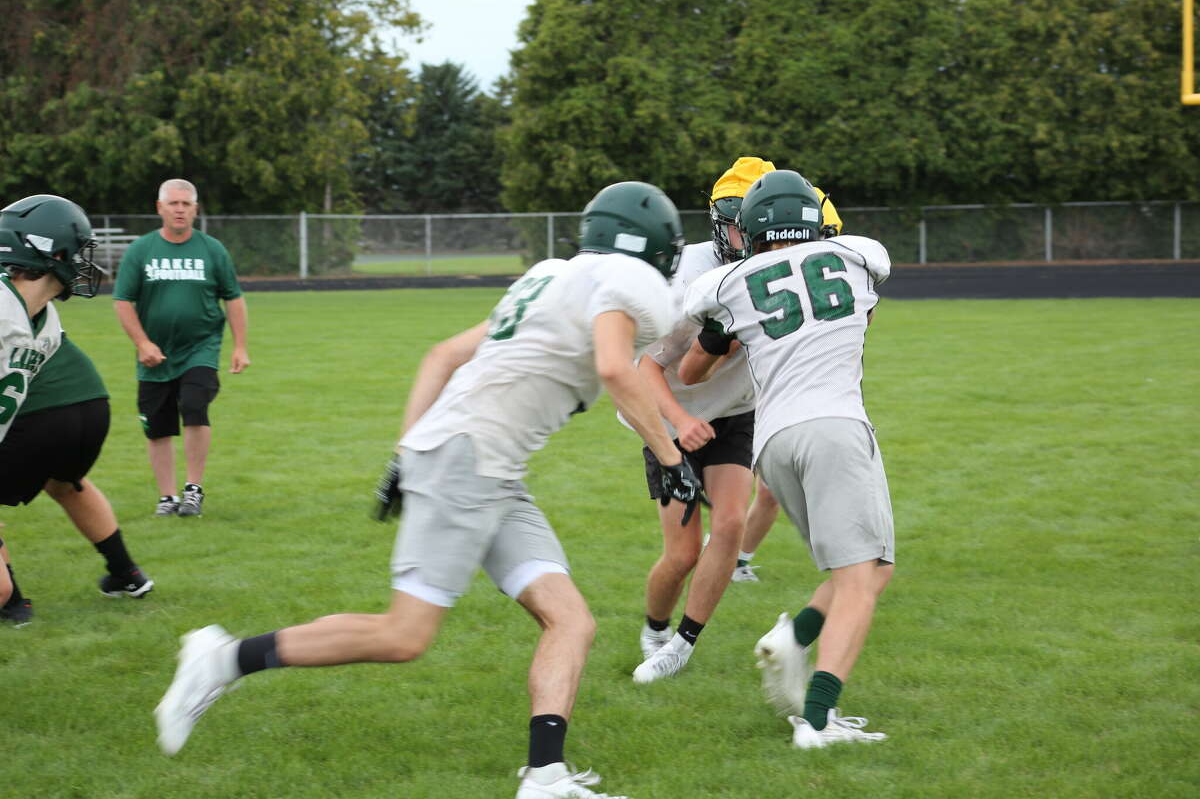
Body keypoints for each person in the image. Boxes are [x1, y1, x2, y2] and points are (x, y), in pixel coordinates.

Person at [154, 181, 704, 799]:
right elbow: (610, 365)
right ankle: (222, 659)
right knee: (404, 634)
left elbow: (441, 355)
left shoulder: (551, 277)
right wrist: (670, 452)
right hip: (471, 462)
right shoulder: (628, 285)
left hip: (486, 467)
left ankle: (546, 777)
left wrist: (405, 453)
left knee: (570, 619)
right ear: (655, 247)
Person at [678, 170, 894, 748]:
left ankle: (794, 638)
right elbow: (865, 302)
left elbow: (695, 357)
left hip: (772, 444)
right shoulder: (856, 257)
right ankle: (819, 721)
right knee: (857, 578)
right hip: (835, 427)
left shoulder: (727, 284)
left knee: (872, 568)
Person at [629, 157, 843, 683]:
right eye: (733, 224)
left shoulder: (785, 261)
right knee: (680, 554)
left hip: (737, 412)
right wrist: (678, 421)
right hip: (668, 416)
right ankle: (656, 628)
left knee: (729, 524)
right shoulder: (689, 280)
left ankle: (683, 643)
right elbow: (644, 370)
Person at [0, 194, 151, 625]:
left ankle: (14, 602)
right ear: (45, 251)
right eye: (78, 251)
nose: (86, 262)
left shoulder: (44, 321)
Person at [113, 178, 250, 517]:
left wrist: (240, 346)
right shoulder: (141, 250)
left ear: (195, 210)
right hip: (154, 355)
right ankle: (167, 497)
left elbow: (233, 298)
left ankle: (193, 489)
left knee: (193, 405)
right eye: (173, 203)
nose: (179, 209)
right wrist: (142, 343)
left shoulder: (212, 250)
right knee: (157, 427)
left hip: (200, 348)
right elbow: (122, 301)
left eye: (186, 204)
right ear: (160, 208)